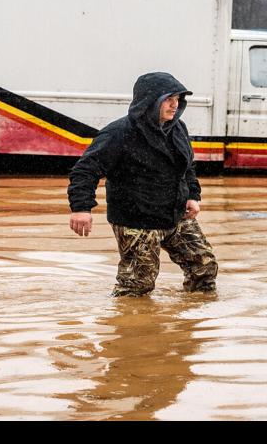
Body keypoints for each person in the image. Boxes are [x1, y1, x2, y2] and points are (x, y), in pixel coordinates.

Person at [67, 71, 218, 296]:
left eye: (178, 99)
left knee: (204, 266)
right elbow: (85, 170)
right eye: (169, 99)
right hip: (136, 219)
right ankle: (130, 325)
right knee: (138, 285)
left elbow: (186, 167)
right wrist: (81, 208)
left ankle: (192, 320)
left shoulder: (178, 128)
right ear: (150, 100)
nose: (174, 105)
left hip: (175, 215)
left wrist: (192, 196)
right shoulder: (118, 133)